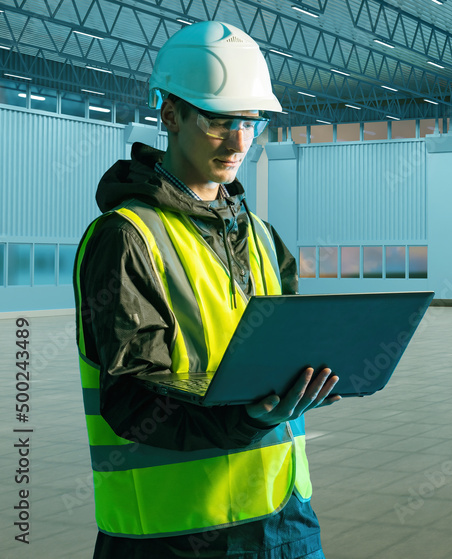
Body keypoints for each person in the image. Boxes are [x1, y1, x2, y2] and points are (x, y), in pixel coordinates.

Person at [73, 21, 338, 558]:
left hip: (285, 517)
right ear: (169, 113)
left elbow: (283, 354)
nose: (241, 141)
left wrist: (318, 376)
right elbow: (131, 402)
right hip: (177, 534)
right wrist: (244, 419)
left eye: (252, 121)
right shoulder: (128, 238)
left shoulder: (262, 237)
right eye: (221, 121)